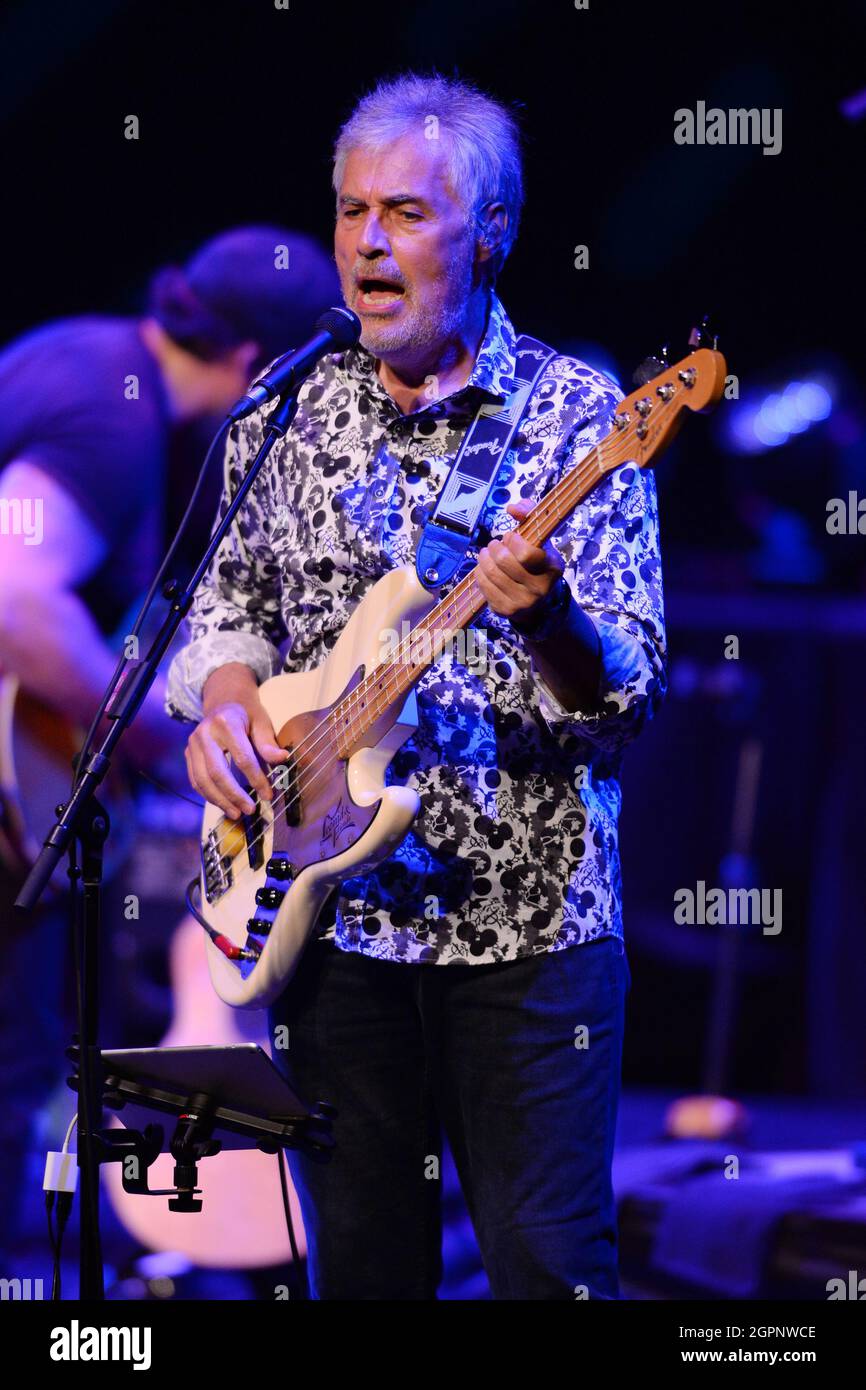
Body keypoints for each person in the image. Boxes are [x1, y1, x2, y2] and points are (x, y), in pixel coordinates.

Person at [168, 75, 667, 1300]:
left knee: (549, 1273)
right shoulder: (281, 412)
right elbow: (223, 612)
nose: (367, 242)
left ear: (488, 232)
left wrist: (545, 617)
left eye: (404, 212)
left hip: (529, 938)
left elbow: (626, 694)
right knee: (365, 1278)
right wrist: (226, 706)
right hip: (333, 927)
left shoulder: (576, 417)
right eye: (349, 213)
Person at [0, 225, 340, 1264]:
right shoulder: (115, 413)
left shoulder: (79, 351)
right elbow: (16, 590)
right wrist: (149, 738)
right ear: (256, 367)